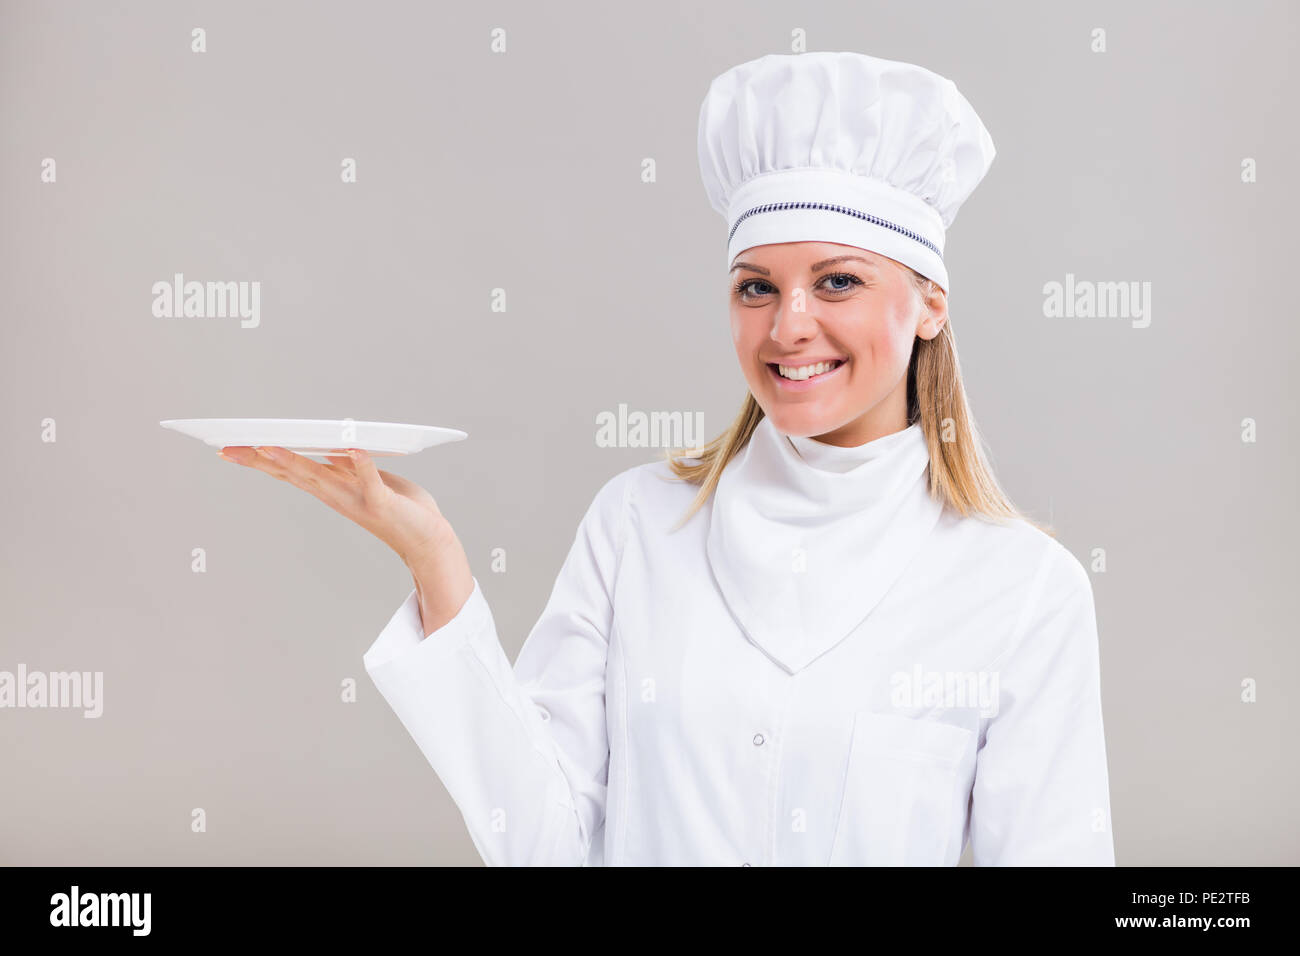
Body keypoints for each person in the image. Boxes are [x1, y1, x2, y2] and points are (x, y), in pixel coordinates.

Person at [220, 51, 1115, 866]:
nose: (788, 324)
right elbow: (545, 846)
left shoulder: (1024, 589)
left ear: (929, 305)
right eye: (756, 287)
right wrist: (434, 558)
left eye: (837, 280)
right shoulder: (638, 523)